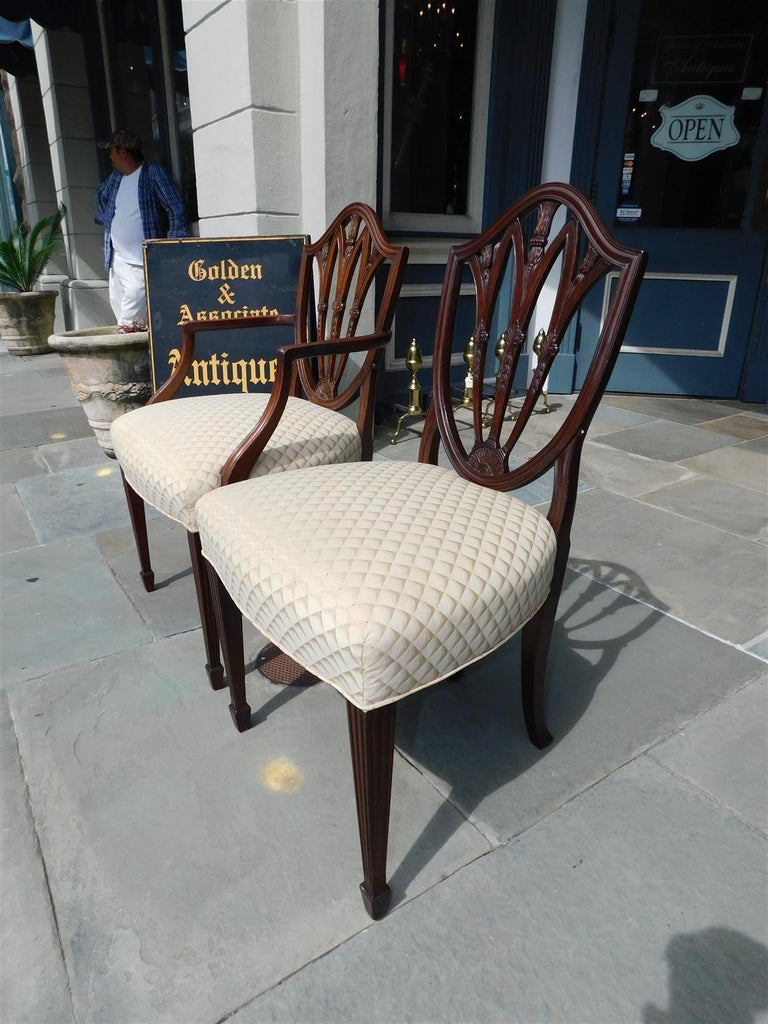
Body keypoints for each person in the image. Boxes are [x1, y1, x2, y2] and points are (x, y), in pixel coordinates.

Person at [95, 128, 188, 332]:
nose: (109, 156)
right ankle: (134, 358)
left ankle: (128, 350)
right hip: (116, 258)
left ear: (122, 152)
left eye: (111, 150)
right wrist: (107, 217)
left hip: (141, 260)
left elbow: (175, 209)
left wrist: (170, 248)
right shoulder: (116, 178)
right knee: (124, 313)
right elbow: (100, 195)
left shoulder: (152, 173)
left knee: (129, 317)